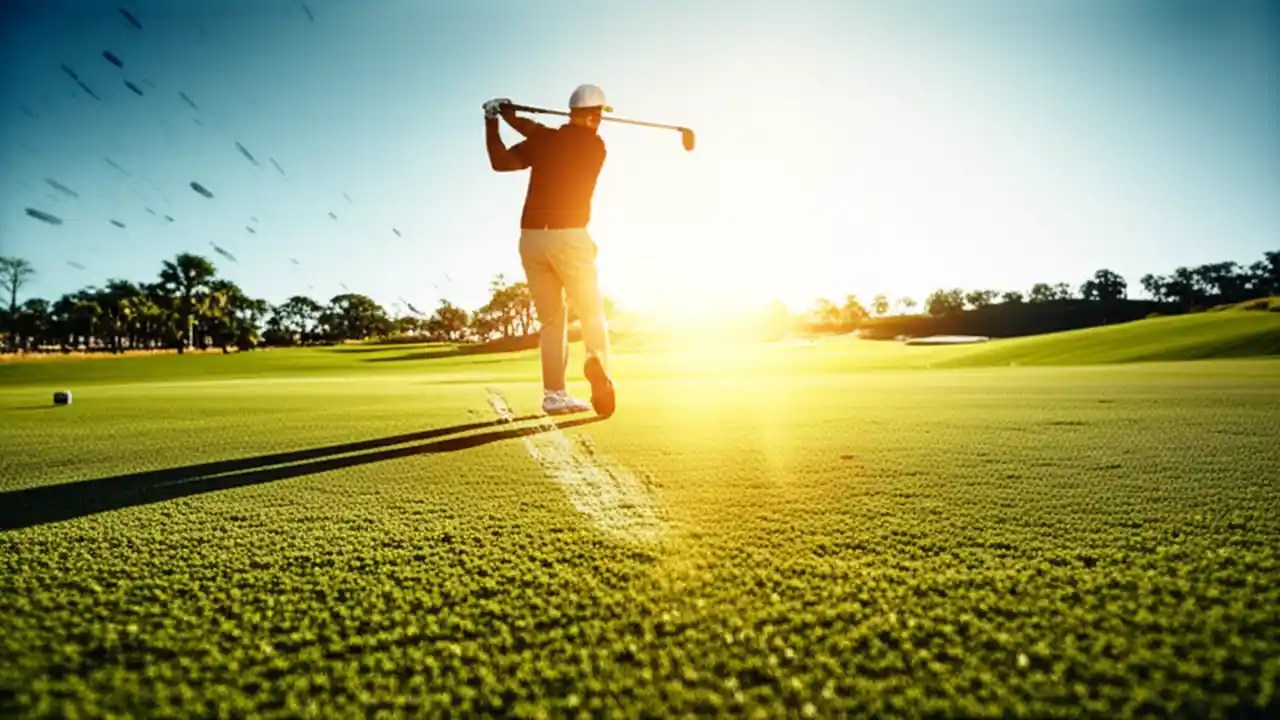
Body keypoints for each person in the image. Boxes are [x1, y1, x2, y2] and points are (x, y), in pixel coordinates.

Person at [483, 84, 616, 418]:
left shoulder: (545, 140)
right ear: (593, 116)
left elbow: (500, 161)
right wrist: (512, 116)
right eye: (599, 116)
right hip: (569, 236)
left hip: (531, 239)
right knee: (591, 312)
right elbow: (539, 132)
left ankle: (554, 395)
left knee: (551, 321)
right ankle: (595, 360)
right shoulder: (595, 145)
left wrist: (495, 119)